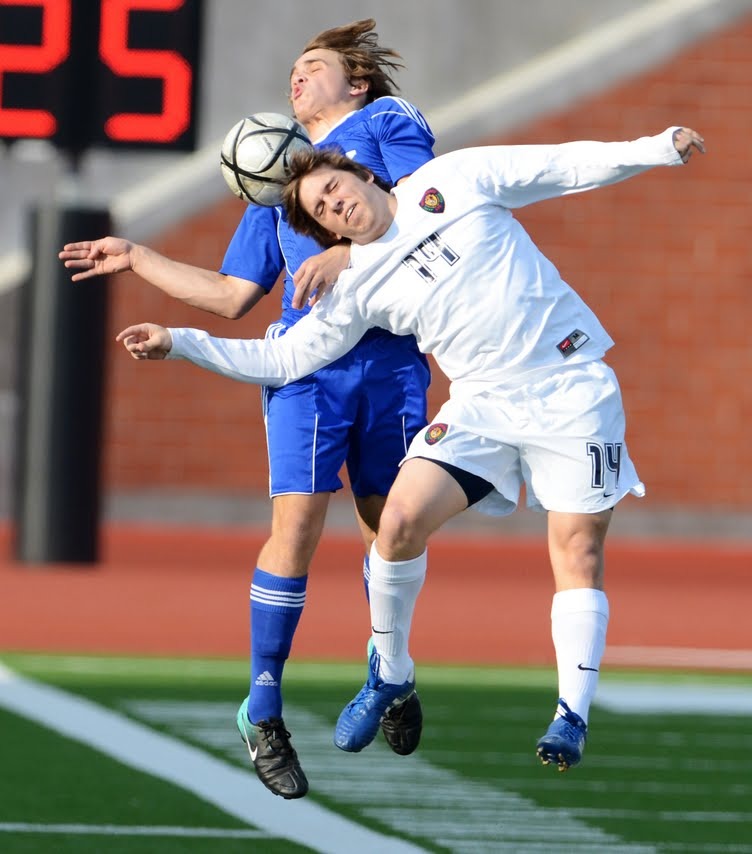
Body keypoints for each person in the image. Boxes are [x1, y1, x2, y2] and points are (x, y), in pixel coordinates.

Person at [114, 126, 705, 772]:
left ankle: (570, 715)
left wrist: (655, 148)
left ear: (363, 176)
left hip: (572, 388)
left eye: (334, 187)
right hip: (481, 407)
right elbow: (282, 356)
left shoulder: (452, 178)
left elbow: (562, 166)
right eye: (321, 209)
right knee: (395, 523)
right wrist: (179, 341)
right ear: (326, 231)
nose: (335, 204)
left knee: (578, 550)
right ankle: (391, 675)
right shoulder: (356, 289)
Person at [59, 19, 435, 799]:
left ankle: (390, 668)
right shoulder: (279, 178)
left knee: (390, 526)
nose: (295, 79)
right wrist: (137, 257)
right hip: (306, 371)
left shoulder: (391, 125)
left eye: (314, 67)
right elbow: (234, 296)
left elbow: (431, 205)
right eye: (292, 70)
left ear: (356, 83)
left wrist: (350, 249)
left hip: (392, 359)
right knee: (295, 526)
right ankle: (263, 707)